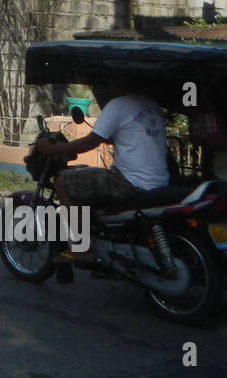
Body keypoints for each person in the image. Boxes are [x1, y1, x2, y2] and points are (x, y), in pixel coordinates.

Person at [33, 78, 170, 258]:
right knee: (87, 180)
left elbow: (90, 142)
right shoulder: (152, 106)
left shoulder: (118, 105)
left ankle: (82, 248)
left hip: (129, 182)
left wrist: (54, 149)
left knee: (62, 182)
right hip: (160, 181)